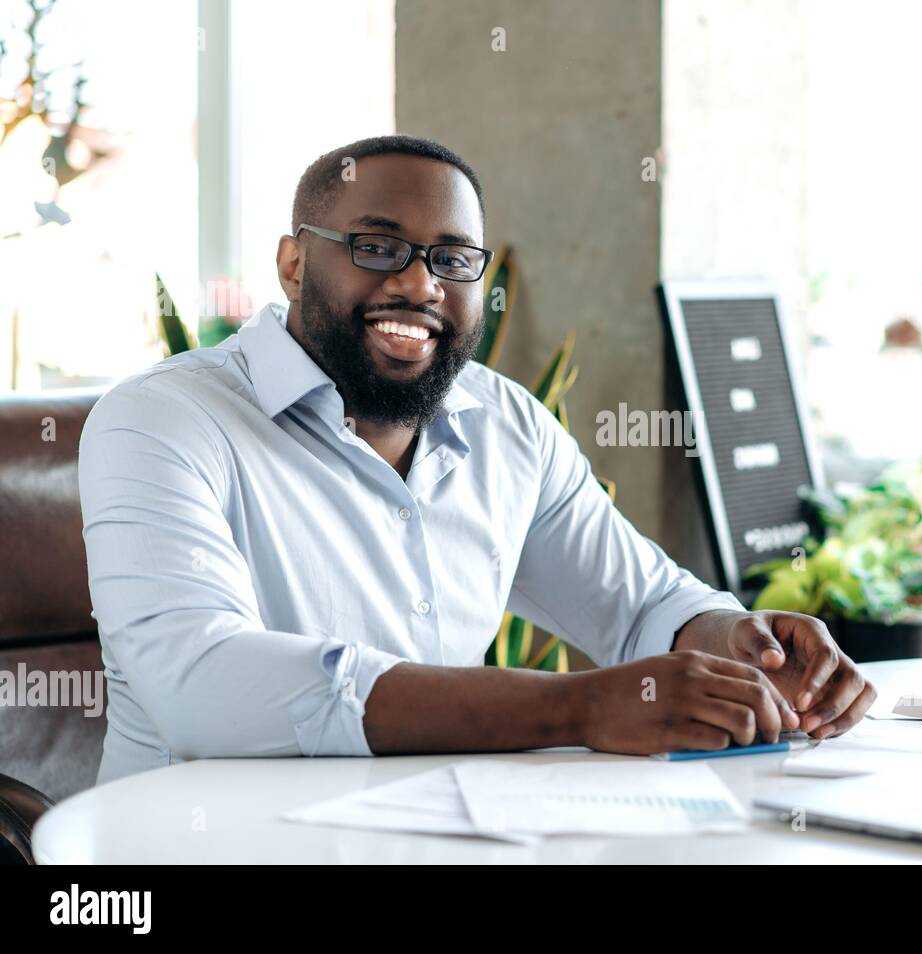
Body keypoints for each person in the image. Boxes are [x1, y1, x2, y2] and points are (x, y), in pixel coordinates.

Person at [79, 135, 875, 785]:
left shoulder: (506, 424)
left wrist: (738, 641)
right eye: (378, 245)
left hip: (436, 833)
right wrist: (576, 708)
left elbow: (638, 606)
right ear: (293, 264)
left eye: (453, 258)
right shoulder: (162, 421)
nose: (419, 282)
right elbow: (199, 682)